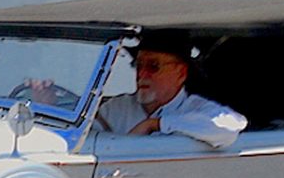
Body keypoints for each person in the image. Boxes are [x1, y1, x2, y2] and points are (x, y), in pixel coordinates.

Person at [95, 35, 247, 148]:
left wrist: (156, 124)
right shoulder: (116, 108)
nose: (142, 74)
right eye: (139, 65)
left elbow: (230, 127)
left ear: (181, 73)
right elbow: (86, 139)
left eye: (153, 66)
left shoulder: (195, 108)